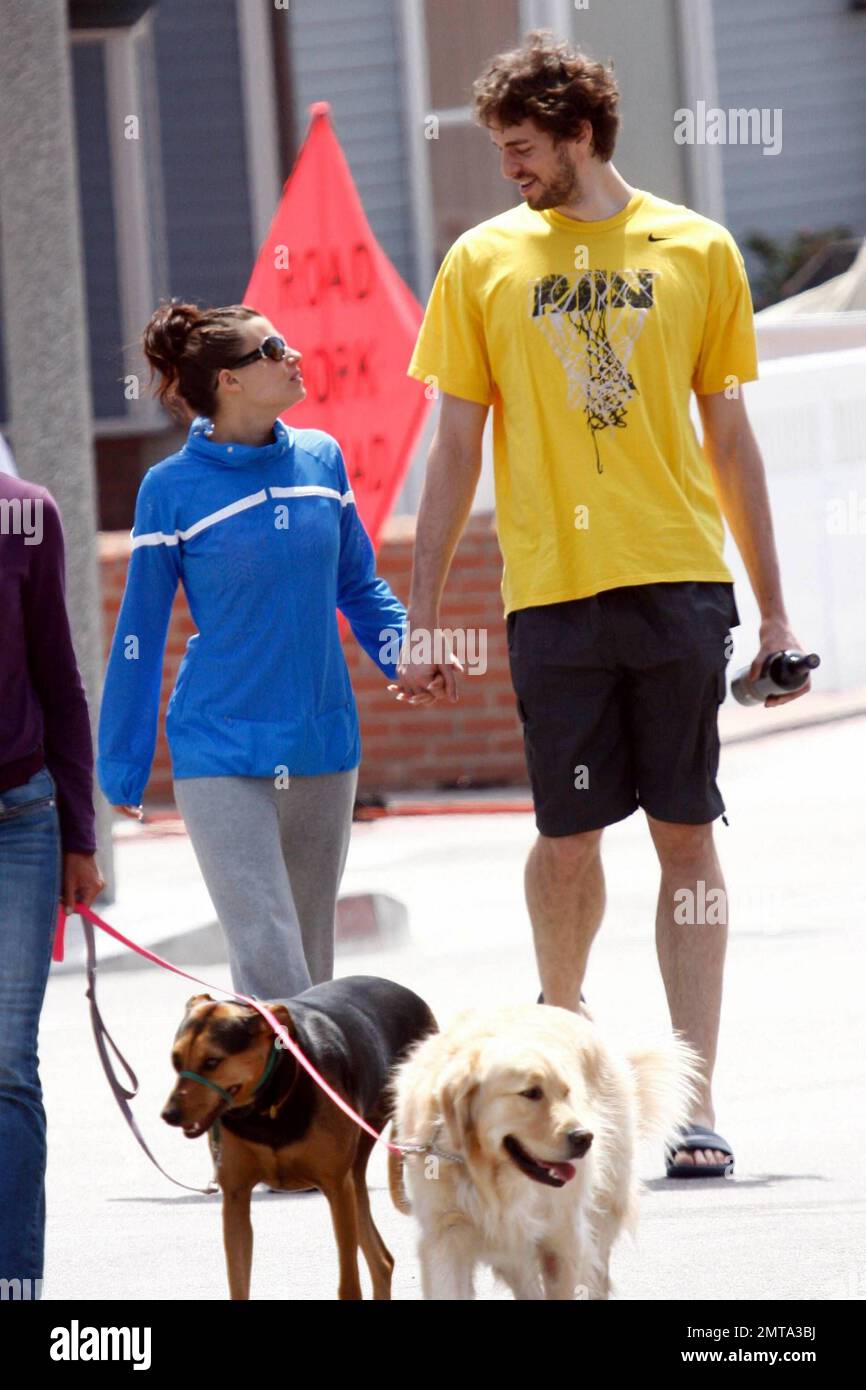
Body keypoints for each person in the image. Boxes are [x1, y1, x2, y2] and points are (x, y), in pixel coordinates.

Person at [396, 31, 812, 1176]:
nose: (509, 170)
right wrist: (423, 610)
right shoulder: (481, 260)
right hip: (552, 594)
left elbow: (728, 438)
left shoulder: (695, 248)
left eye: (522, 149)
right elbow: (452, 448)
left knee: (683, 833)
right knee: (566, 837)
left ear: (578, 134)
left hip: (676, 581)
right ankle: (565, 1035)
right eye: (499, 151)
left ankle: (691, 1098)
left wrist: (772, 614)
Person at [97, 301, 445, 1000]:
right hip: (219, 747)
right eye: (272, 350)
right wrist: (122, 765)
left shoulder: (322, 459)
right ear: (227, 382)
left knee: (312, 963)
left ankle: (319, 1107)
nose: (294, 358)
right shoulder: (170, 489)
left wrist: (408, 650)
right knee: (268, 950)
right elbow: (139, 632)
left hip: (323, 739)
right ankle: (287, 1103)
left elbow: (358, 583)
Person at [0, 469, 104, 1295]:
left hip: (18, 823)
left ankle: (15, 1287)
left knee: (6, 1064)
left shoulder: (25, 515)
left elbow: (59, 679)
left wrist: (78, 833)